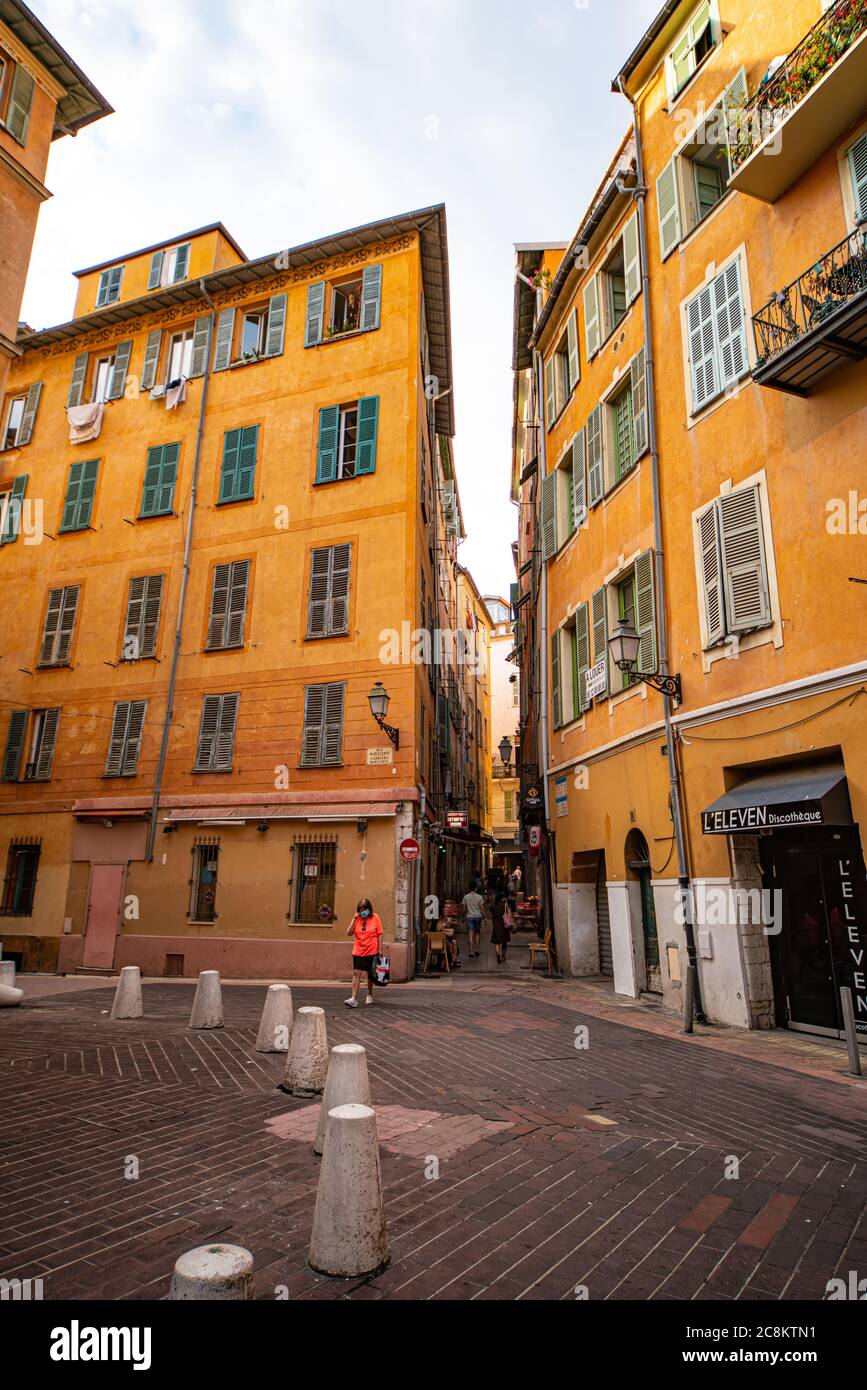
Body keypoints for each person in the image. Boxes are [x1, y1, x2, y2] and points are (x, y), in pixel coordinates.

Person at [345, 898, 383, 1007]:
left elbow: (380, 934)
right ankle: (353, 999)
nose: (363, 911)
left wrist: (380, 949)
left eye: (364, 909)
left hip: (372, 950)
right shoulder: (357, 919)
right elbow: (349, 933)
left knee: (370, 975)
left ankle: (369, 994)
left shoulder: (375, 917)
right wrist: (354, 919)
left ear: (369, 909)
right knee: (356, 973)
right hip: (358, 951)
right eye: (361, 909)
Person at [462, 883, 485, 959]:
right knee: (477, 933)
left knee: (470, 934)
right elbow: (482, 908)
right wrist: (484, 917)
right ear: (475, 888)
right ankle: (477, 950)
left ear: (469, 888)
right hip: (478, 917)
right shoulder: (479, 897)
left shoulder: (466, 897)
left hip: (469, 917)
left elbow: (463, 909)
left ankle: (471, 951)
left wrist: (463, 916)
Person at [490, 891, 509, 965]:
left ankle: (498, 954)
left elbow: (492, 913)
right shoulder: (506, 905)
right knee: (504, 942)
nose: (506, 899)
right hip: (504, 925)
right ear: (502, 898)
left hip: (496, 925)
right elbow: (509, 914)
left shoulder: (493, 906)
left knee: (496, 941)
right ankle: (503, 956)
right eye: (505, 898)